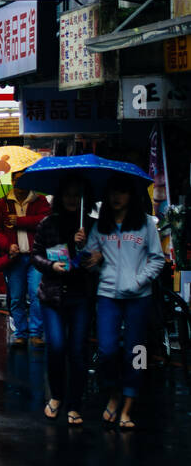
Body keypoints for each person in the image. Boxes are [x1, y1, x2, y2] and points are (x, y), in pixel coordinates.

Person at [82, 176, 167, 430]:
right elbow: (87, 263)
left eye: (122, 193)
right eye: (112, 193)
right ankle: (113, 394)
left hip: (138, 299)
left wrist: (138, 281)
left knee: (136, 352)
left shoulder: (145, 225)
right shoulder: (101, 227)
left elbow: (157, 260)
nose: (116, 197)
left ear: (131, 196)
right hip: (107, 296)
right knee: (107, 350)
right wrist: (88, 255)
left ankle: (129, 404)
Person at [31, 174, 96, 425]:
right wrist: (51, 265)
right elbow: (36, 256)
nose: (72, 199)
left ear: (83, 199)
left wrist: (85, 245)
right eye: (68, 194)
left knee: (77, 351)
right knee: (57, 346)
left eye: (77, 195)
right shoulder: (48, 224)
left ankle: (75, 405)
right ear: (60, 198)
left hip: (80, 295)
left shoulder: (90, 225)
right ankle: (57, 396)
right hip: (52, 295)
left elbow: (92, 261)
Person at [0, 172, 51, 347]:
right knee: (17, 297)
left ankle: (35, 333)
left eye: (22, 179)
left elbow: (45, 221)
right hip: (15, 259)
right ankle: (20, 333)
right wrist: (7, 245)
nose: (18, 183)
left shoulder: (40, 201)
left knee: (36, 294)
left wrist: (20, 221)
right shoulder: (3, 203)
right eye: (15, 179)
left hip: (36, 256)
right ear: (11, 181)